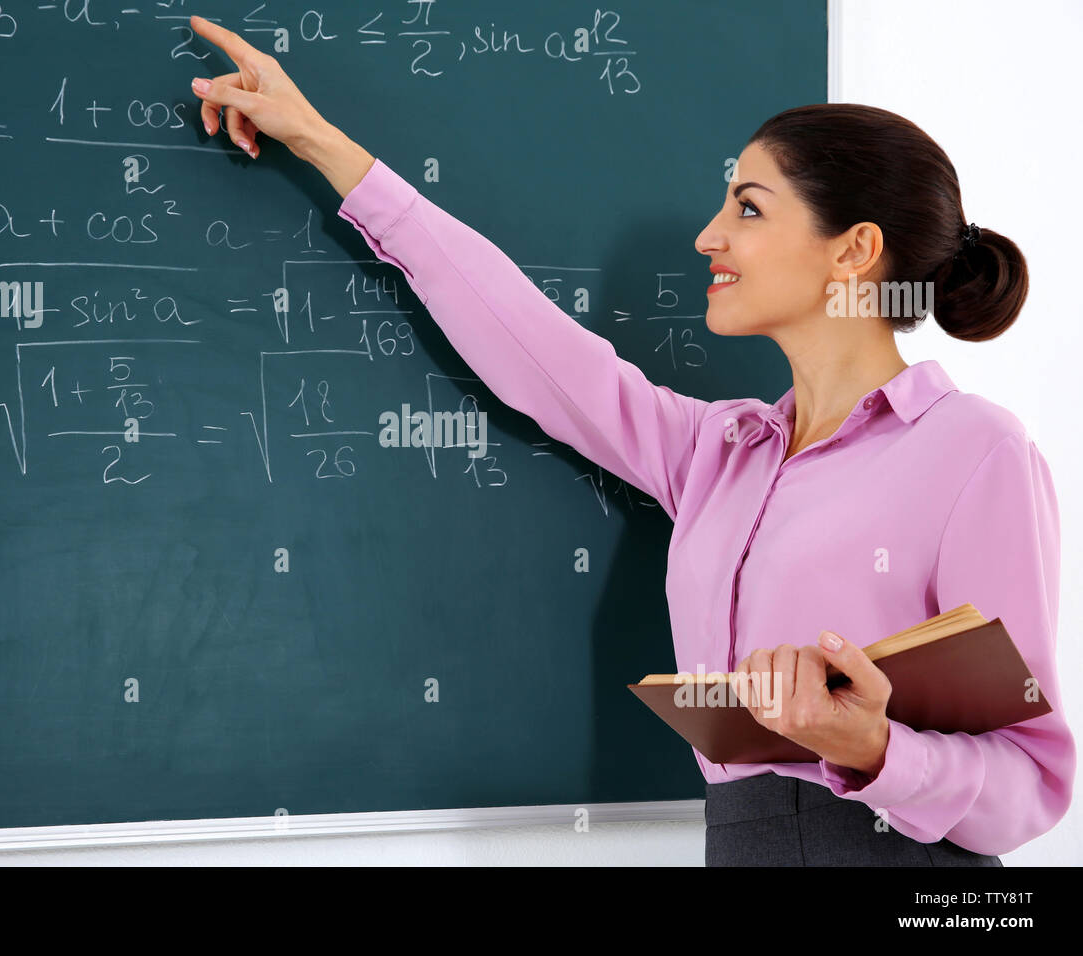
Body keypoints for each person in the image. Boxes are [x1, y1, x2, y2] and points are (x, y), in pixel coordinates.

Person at [185, 15, 1074, 866]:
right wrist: (320, 144)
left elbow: (1032, 780)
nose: (709, 236)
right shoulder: (720, 452)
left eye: (750, 209)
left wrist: (876, 747)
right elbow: (531, 345)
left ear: (853, 251)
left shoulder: (975, 452)